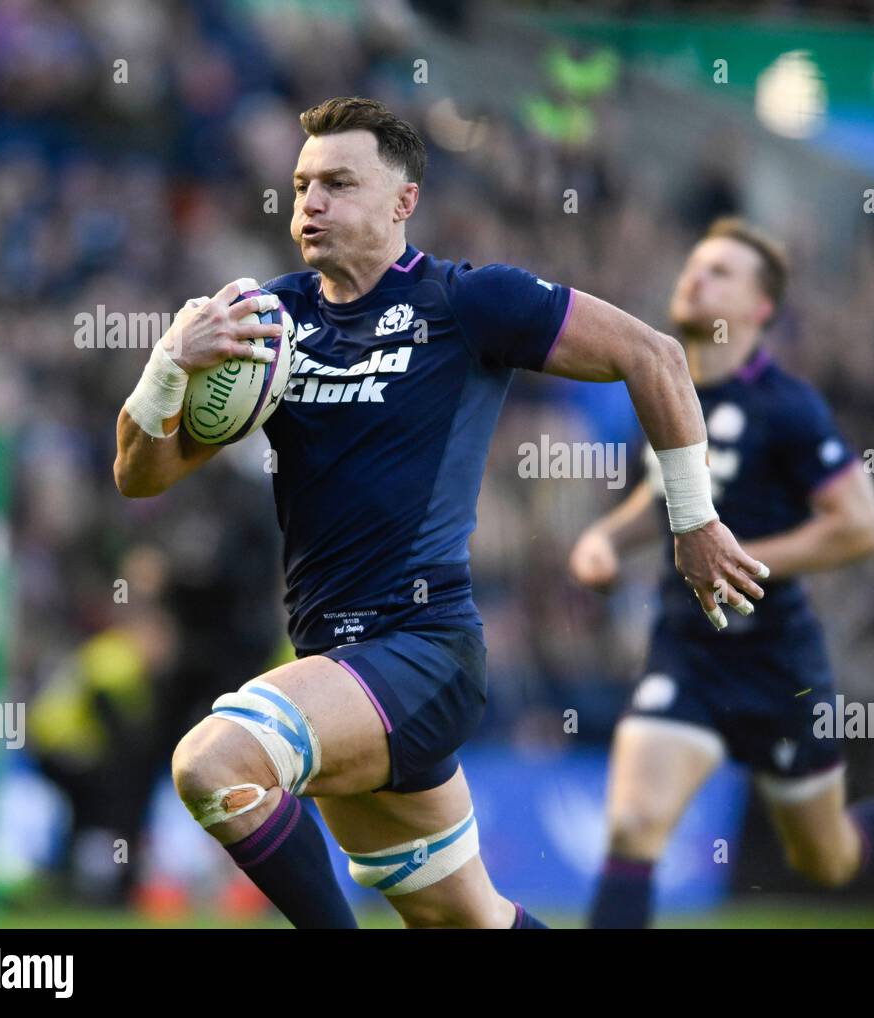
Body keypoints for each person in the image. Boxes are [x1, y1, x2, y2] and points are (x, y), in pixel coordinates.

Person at [113, 96, 767, 929]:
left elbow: (654, 355)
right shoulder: (268, 327)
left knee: (215, 763)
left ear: (403, 201)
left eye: (338, 183)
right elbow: (139, 475)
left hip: (422, 653)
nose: (310, 203)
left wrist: (694, 518)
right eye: (302, 184)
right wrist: (168, 369)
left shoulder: (468, 303)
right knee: (469, 920)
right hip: (334, 667)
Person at [569, 218, 874, 928]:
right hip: (683, 650)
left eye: (722, 271)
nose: (697, 276)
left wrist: (745, 560)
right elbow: (661, 499)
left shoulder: (786, 404)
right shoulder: (667, 390)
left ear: (760, 310)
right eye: (696, 263)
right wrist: (606, 539)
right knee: (632, 826)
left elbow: (862, 524)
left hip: (777, 662)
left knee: (827, 857)